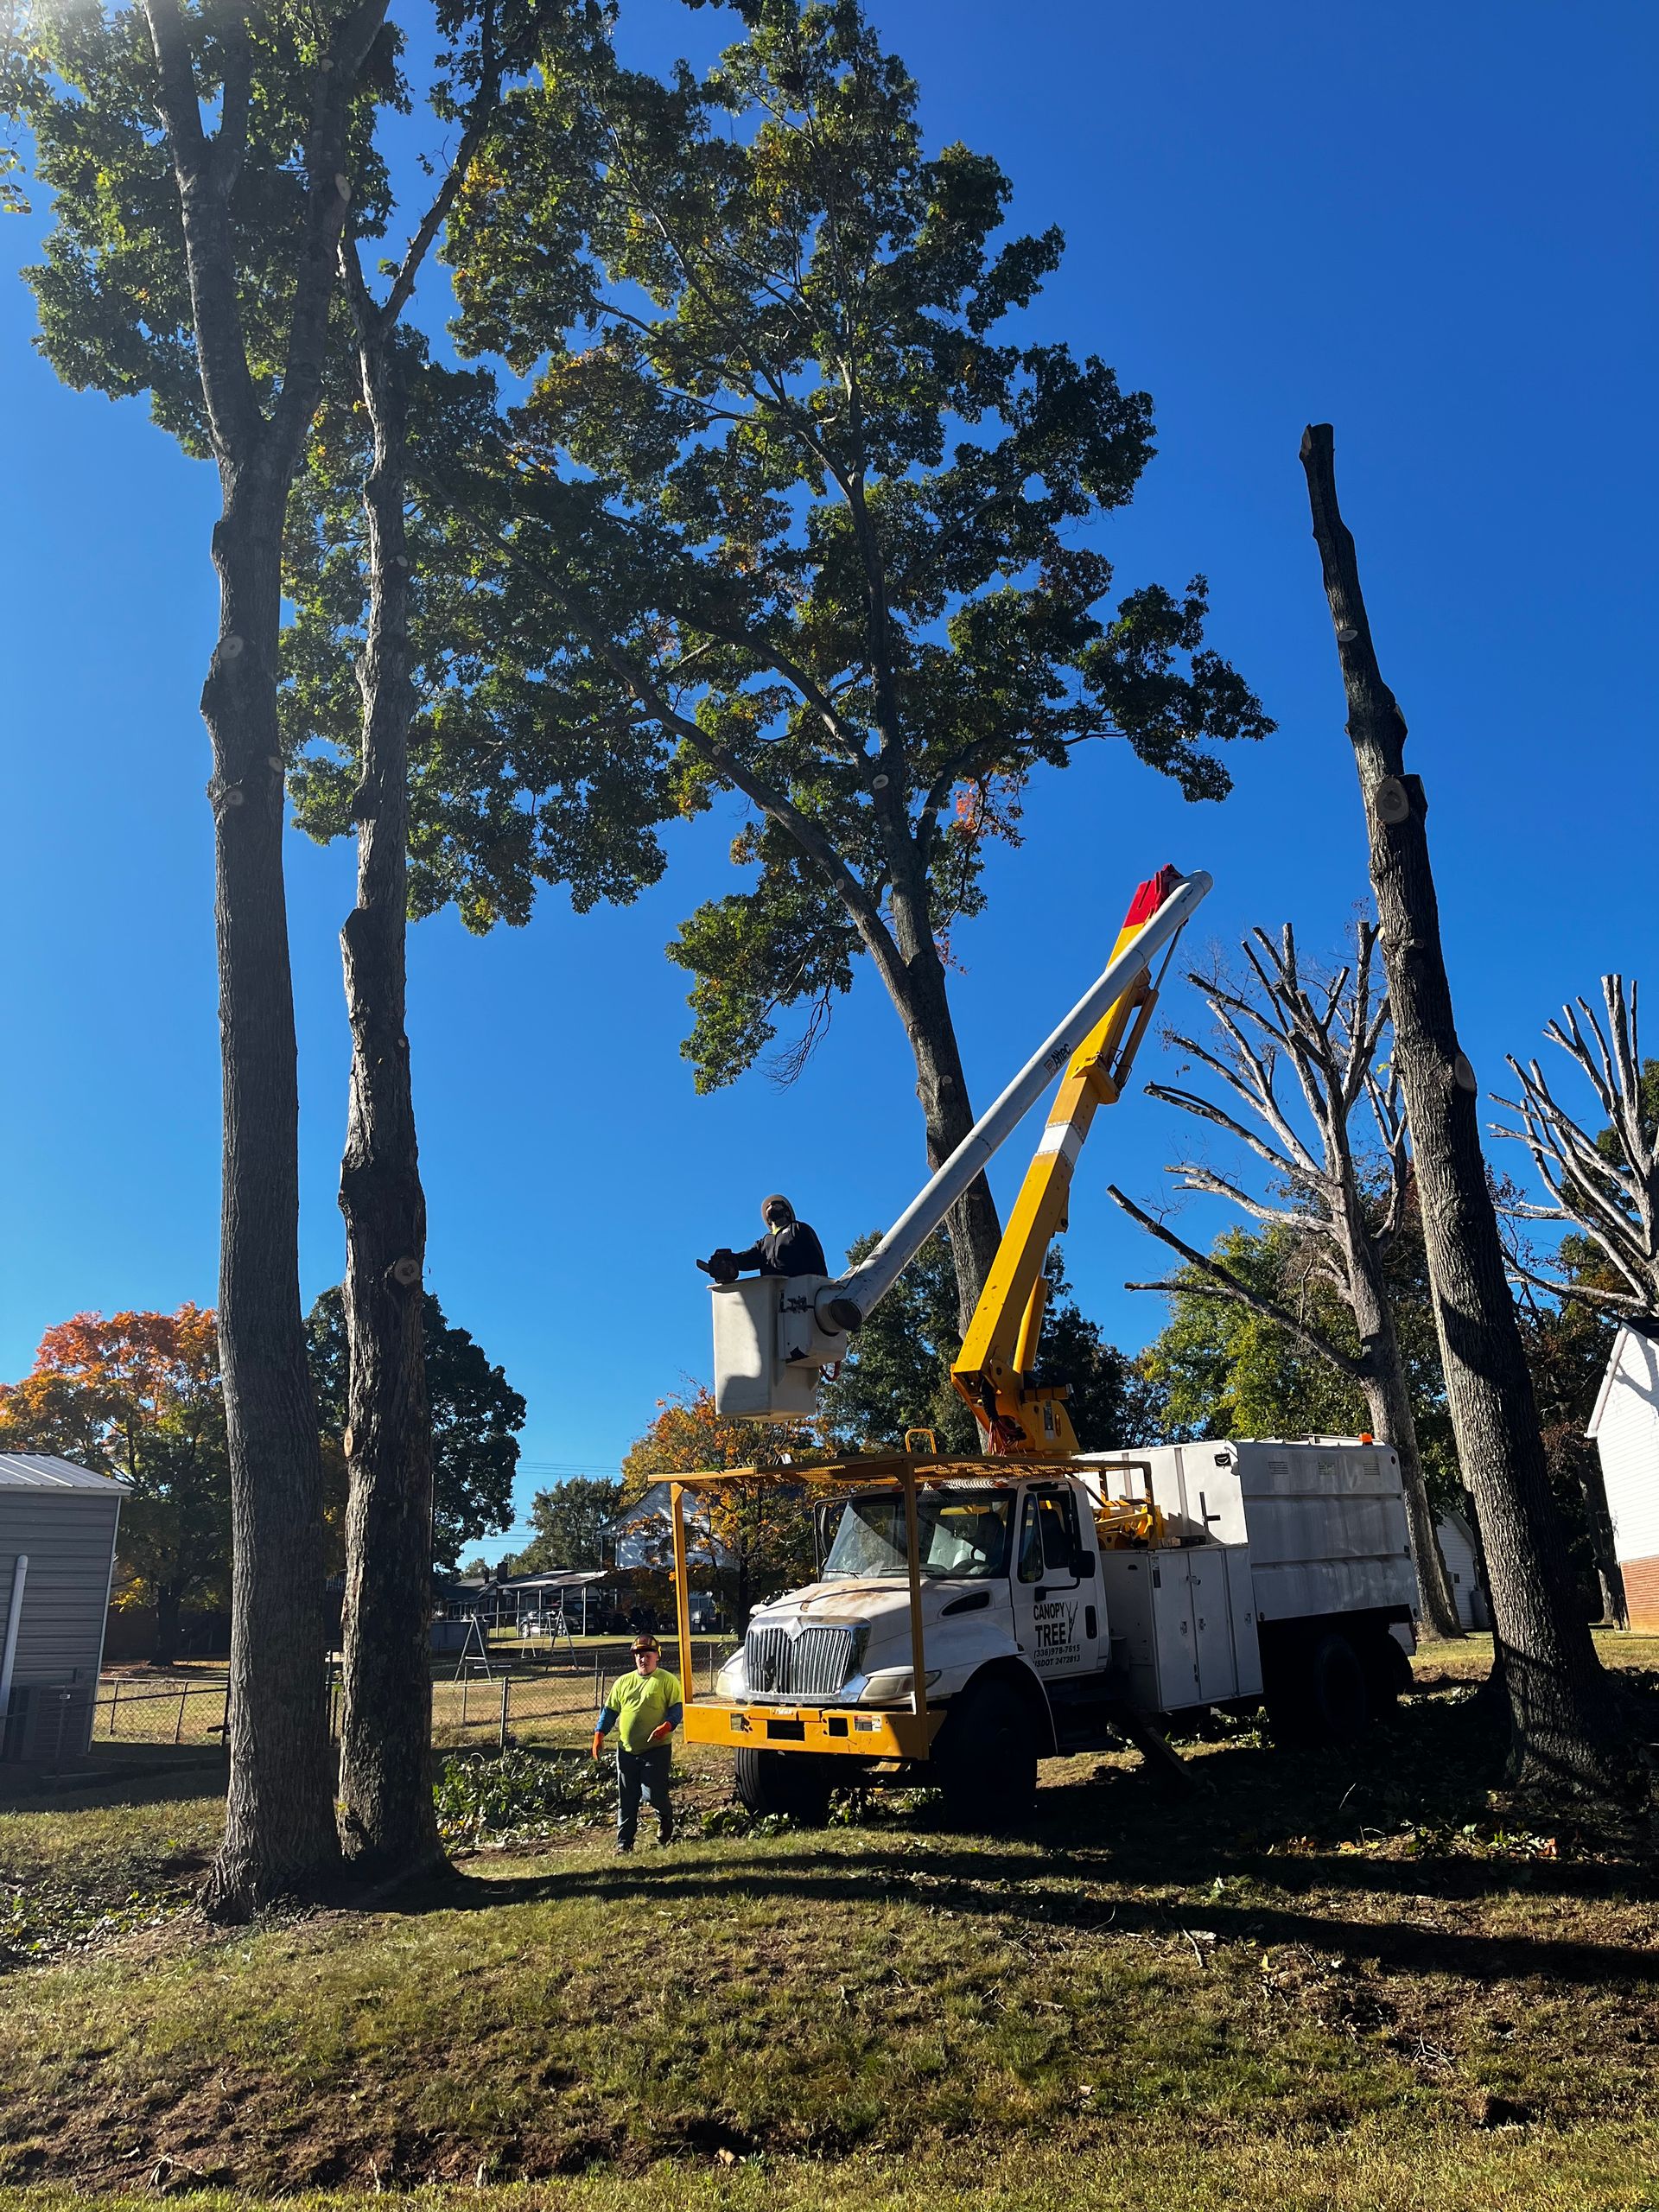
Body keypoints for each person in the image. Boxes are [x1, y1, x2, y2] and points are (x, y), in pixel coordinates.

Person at [592, 1633, 683, 1853]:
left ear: (657, 1656)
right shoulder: (623, 1682)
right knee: (627, 1798)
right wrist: (599, 1734)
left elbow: (677, 1710)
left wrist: (667, 1726)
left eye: (648, 1655)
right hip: (626, 1751)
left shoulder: (667, 1680)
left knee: (653, 1793)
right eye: (639, 1655)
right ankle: (624, 1844)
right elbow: (610, 1711)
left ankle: (665, 1817)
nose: (643, 1659)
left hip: (656, 1749)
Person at [697, 1194, 829, 1284]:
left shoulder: (799, 1229)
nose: (771, 1204)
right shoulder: (764, 1242)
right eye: (768, 1206)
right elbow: (748, 1258)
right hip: (772, 1295)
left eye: (777, 1204)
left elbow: (816, 1259)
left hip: (800, 1292)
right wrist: (729, 1260)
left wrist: (819, 1286)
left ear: (787, 1212)